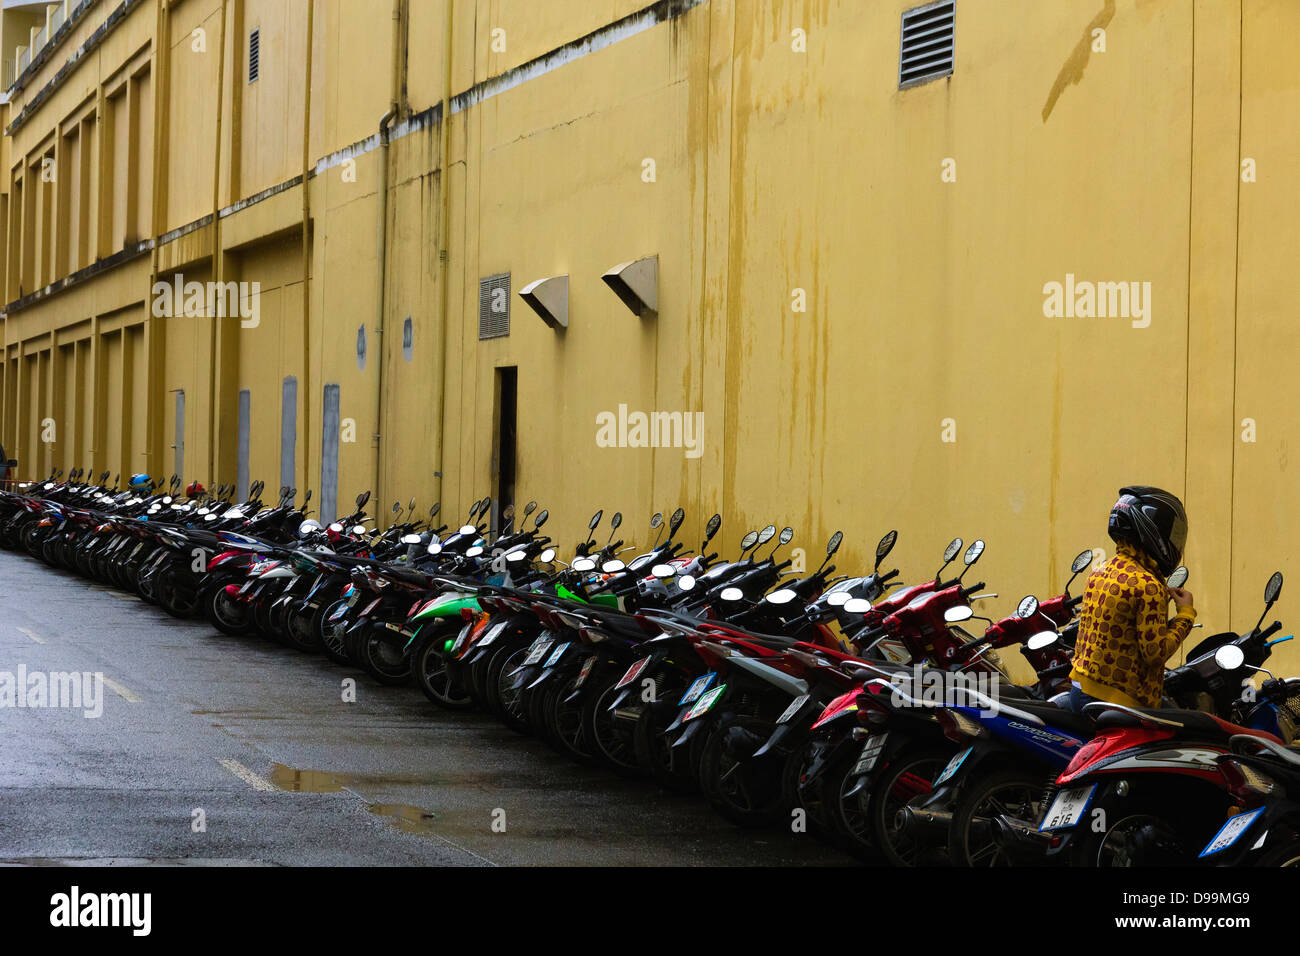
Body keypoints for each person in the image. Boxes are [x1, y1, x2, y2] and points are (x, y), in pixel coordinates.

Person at [1067, 486, 1196, 713]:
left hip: (1080, 690)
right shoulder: (1148, 586)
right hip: (1118, 701)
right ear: (1154, 530)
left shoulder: (1100, 571)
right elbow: (1155, 655)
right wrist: (1185, 615)